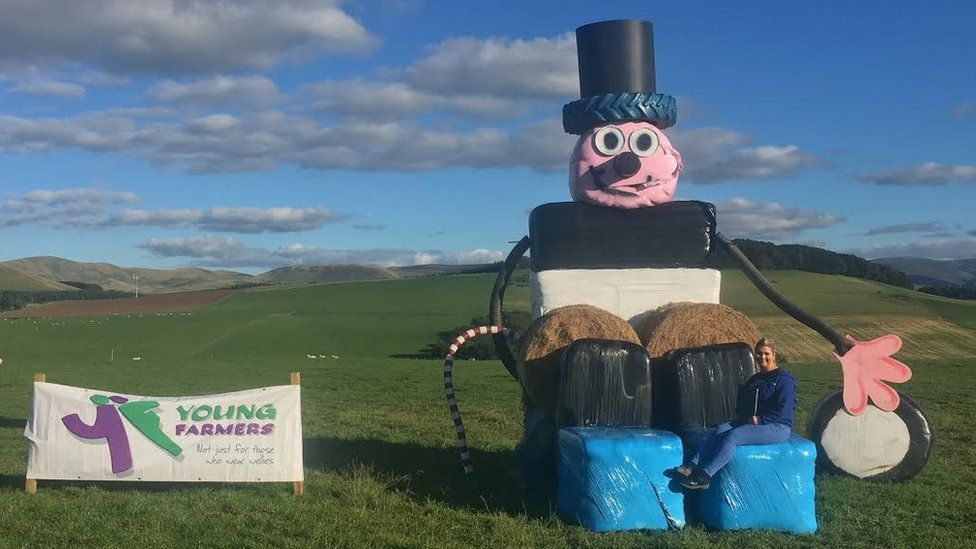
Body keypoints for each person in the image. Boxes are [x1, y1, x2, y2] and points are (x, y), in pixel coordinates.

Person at [673, 337, 796, 490]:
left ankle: (704, 476)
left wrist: (761, 419)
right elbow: (744, 404)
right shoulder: (755, 379)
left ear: (774, 355)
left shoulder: (784, 379)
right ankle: (691, 466)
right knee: (721, 429)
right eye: (758, 354)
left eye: (766, 354)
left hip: (777, 426)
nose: (762, 357)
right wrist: (741, 415)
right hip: (755, 422)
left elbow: (785, 410)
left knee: (734, 436)